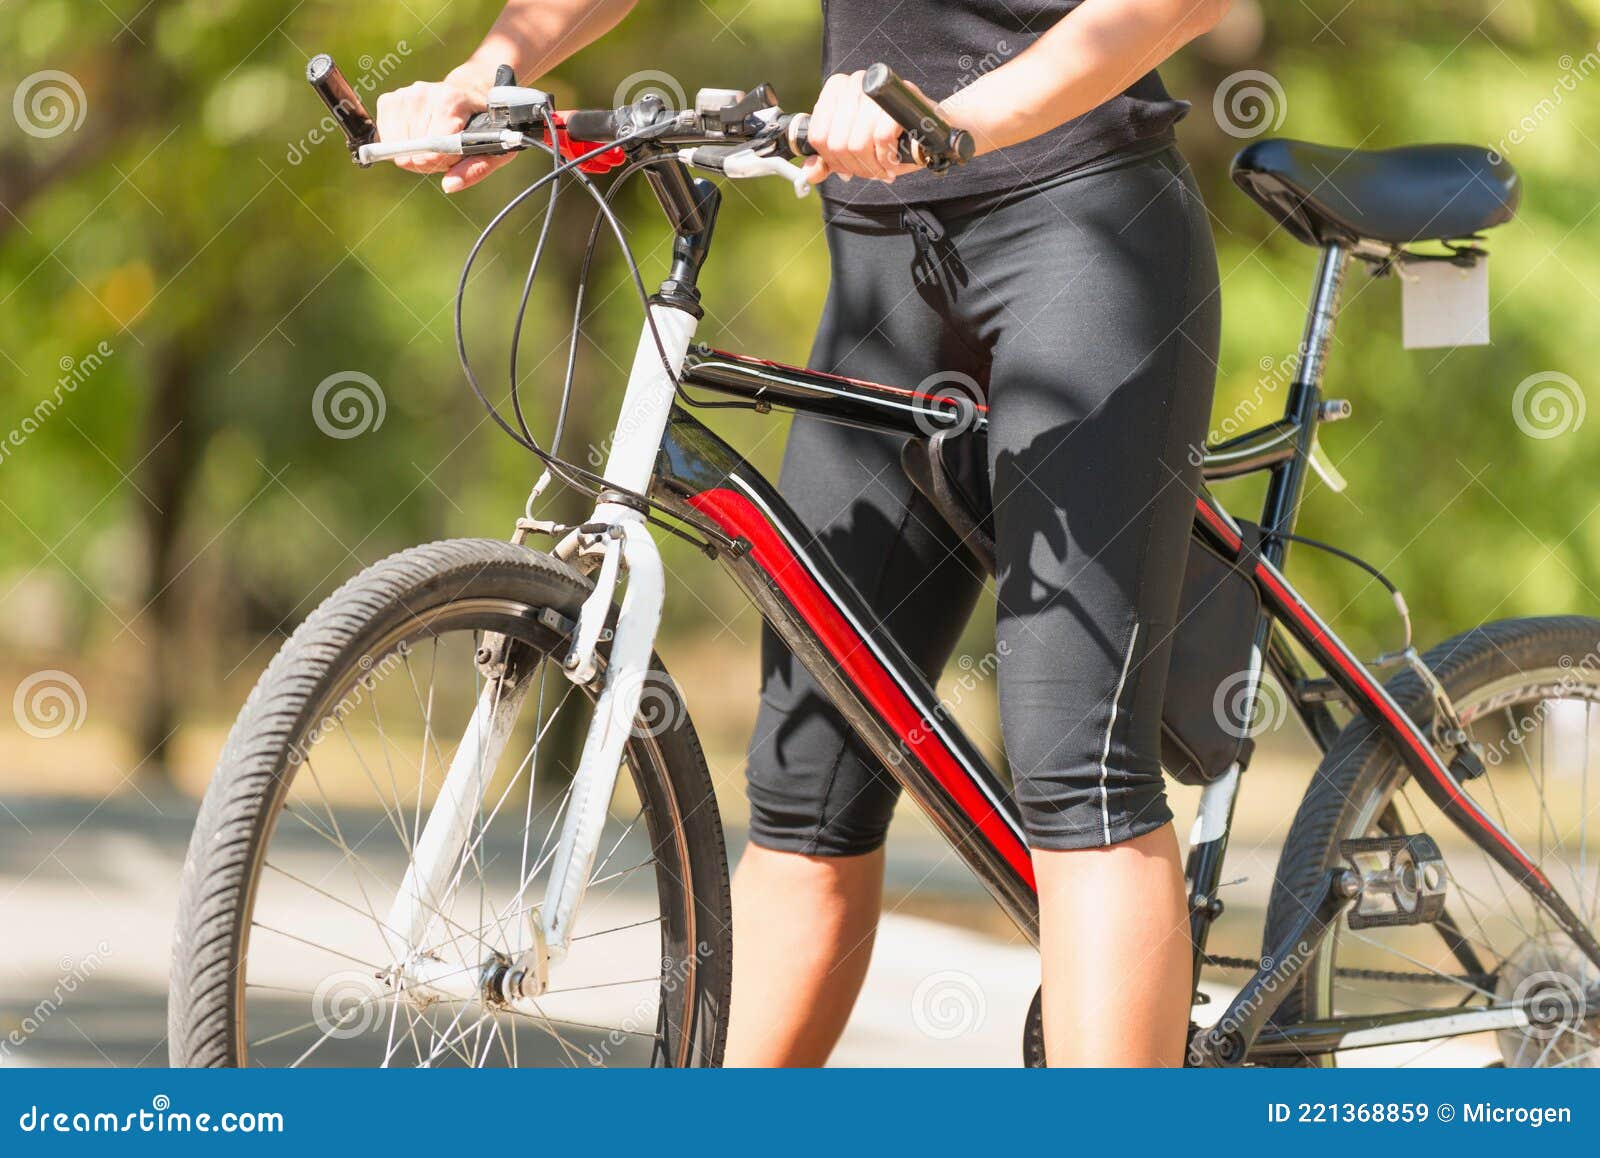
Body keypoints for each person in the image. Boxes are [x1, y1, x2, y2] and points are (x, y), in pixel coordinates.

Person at [377, 0, 1230, 1067]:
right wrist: (494, 65)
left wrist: (957, 116)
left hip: (1086, 240)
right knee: (805, 793)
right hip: (884, 271)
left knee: (1077, 776)